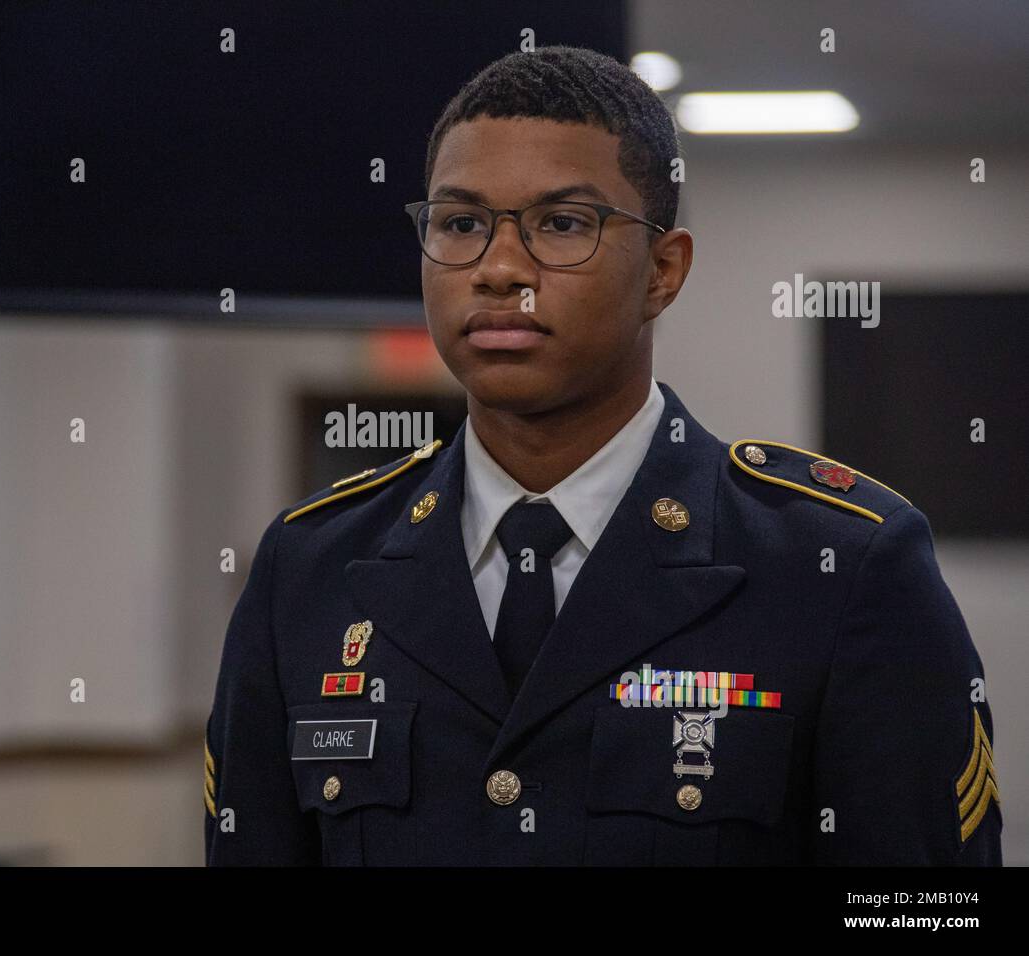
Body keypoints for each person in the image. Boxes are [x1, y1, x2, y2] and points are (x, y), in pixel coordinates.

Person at [202, 46, 1001, 865]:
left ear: (662, 270)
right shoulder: (309, 569)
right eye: (460, 223)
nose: (501, 268)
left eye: (562, 224)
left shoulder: (841, 565)